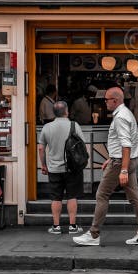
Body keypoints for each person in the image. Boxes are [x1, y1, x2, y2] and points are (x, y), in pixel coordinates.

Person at [74, 87, 138, 246]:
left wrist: (122, 168)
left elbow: (126, 144)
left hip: (121, 162)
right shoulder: (126, 113)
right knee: (135, 197)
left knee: (102, 195)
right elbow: (125, 144)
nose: (104, 102)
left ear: (115, 101)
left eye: (107, 99)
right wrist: (111, 158)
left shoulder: (120, 117)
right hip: (127, 160)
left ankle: (93, 235)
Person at [38, 100, 85, 235]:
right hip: (72, 168)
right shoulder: (74, 125)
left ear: (54, 113)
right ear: (67, 111)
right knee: (72, 196)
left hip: (54, 169)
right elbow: (82, 144)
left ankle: (56, 226)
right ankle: (72, 226)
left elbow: (41, 148)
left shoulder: (47, 127)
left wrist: (44, 165)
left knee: (56, 198)